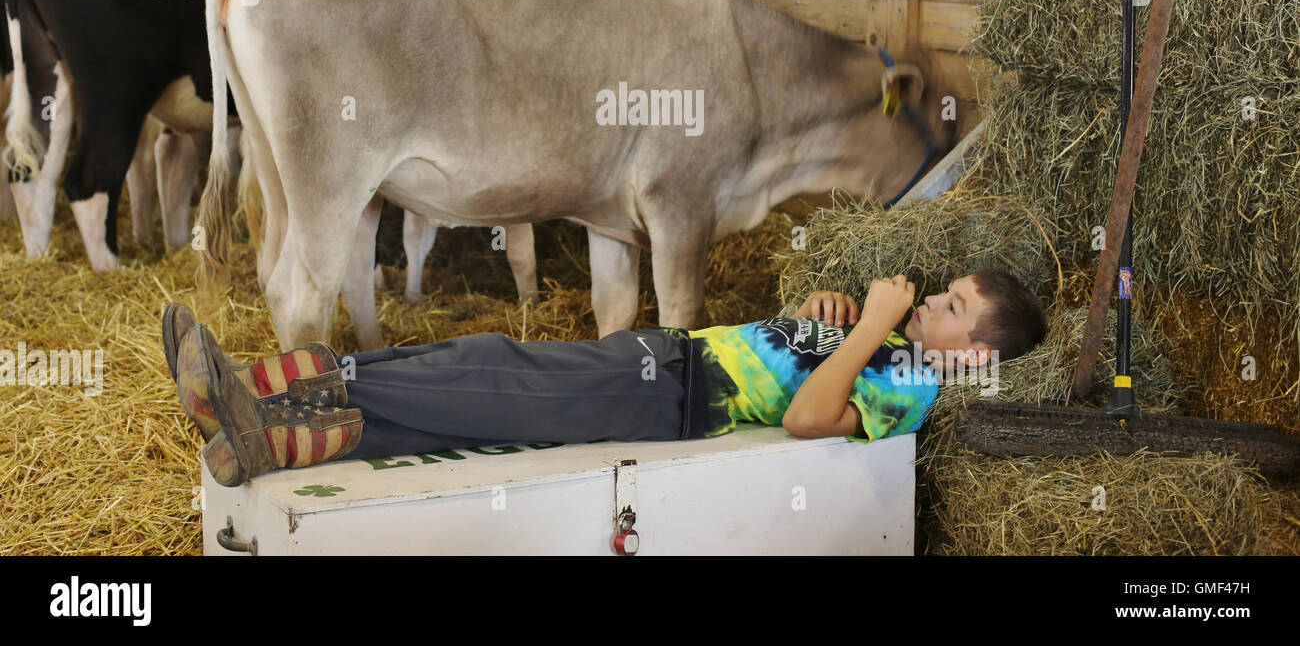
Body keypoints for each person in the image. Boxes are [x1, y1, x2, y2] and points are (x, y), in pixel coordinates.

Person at [163, 267, 1047, 486]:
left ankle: (262, 407)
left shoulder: (913, 386)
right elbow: (808, 368)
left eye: (954, 306)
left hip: (669, 390)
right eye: (945, 291)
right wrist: (826, 315)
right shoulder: (886, 348)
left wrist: (871, 328)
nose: (933, 298)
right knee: (477, 373)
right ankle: (265, 415)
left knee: (490, 377)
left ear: (972, 355)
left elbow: (812, 420)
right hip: (671, 358)